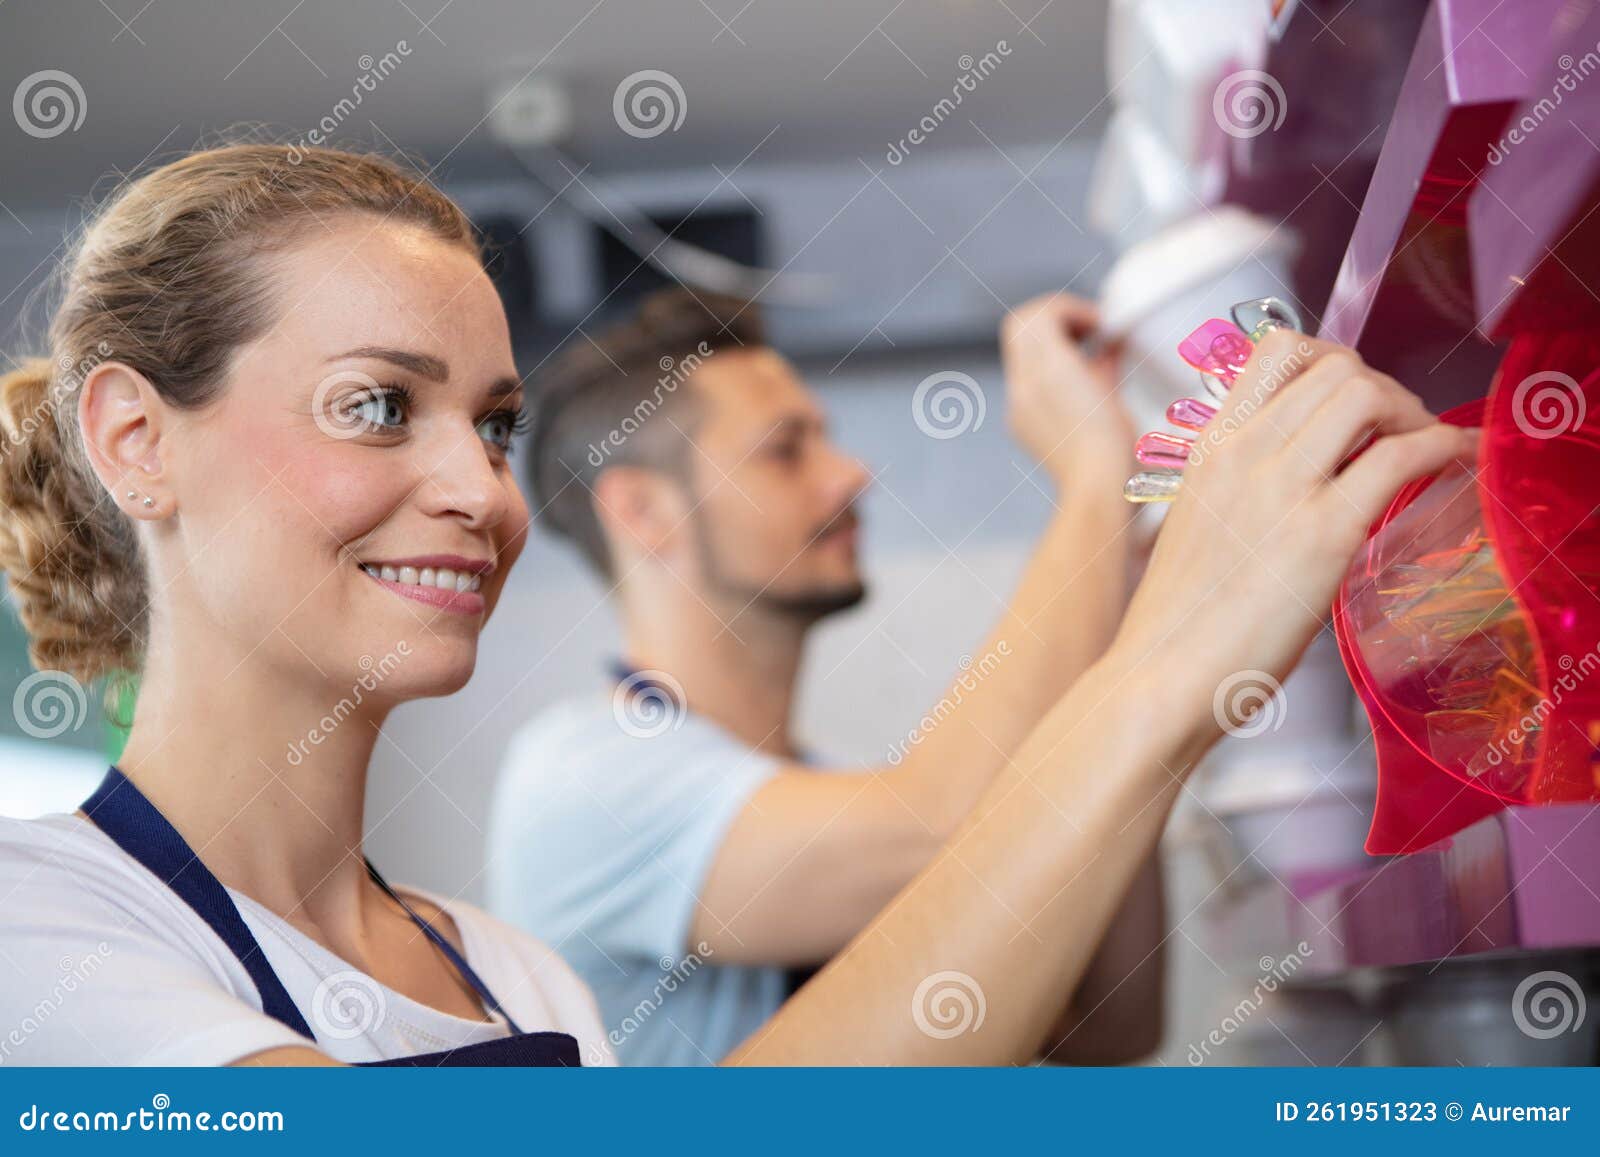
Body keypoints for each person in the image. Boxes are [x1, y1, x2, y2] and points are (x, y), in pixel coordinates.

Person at [0, 141, 1474, 1067]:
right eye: (379, 406)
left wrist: (1163, 596)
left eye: (494, 426)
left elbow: (1088, 1029)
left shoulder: (510, 975)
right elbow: (938, 853)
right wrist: (1159, 622)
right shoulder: (40, 921)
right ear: (138, 441)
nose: (478, 488)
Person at [488, 288, 1166, 1065]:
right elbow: (940, 824)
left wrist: (1120, 636)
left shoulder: (835, 798)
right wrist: (1093, 479)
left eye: (825, 439)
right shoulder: (582, 776)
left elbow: (1110, 1026)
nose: (850, 474)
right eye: (786, 449)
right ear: (642, 510)